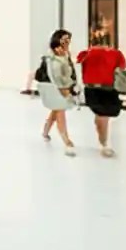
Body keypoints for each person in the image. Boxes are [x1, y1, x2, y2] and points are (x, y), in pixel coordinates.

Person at [77, 36, 126, 158]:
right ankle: (104, 144)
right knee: (104, 117)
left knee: (101, 116)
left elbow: (78, 62)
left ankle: (103, 141)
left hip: (91, 88)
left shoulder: (86, 53)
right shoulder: (116, 54)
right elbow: (123, 67)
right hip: (108, 89)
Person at [39, 29, 78, 157]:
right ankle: (66, 141)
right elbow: (53, 76)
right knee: (60, 112)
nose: (67, 43)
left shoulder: (66, 56)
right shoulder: (51, 58)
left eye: (68, 40)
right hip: (55, 89)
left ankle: (45, 132)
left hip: (65, 88)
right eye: (64, 40)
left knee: (56, 112)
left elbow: (69, 74)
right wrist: (62, 89)